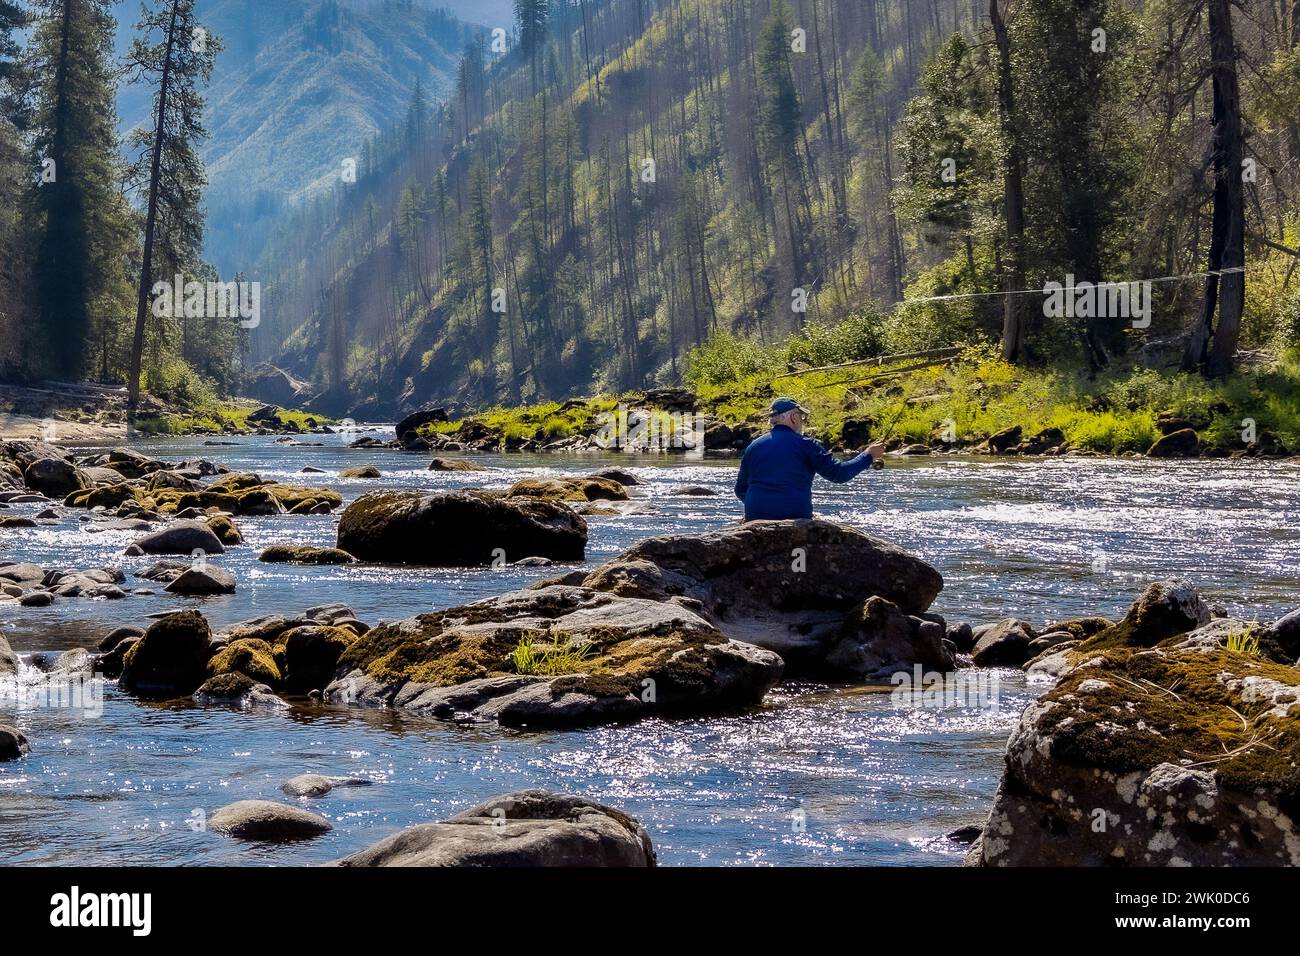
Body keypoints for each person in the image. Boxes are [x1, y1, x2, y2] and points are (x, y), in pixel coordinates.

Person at [733, 397, 885, 521]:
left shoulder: (753, 447)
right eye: (802, 416)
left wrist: (765, 505)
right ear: (793, 417)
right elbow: (839, 474)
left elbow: (740, 490)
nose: (802, 421)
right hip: (795, 517)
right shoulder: (807, 445)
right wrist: (868, 455)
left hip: (755, 516)